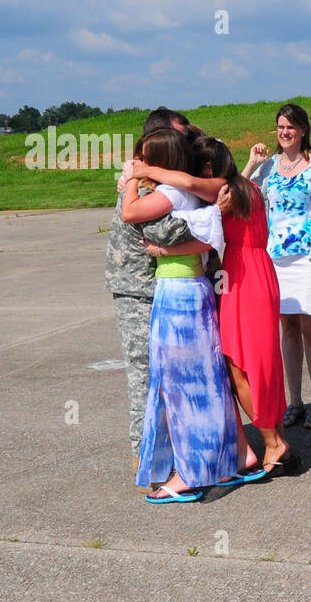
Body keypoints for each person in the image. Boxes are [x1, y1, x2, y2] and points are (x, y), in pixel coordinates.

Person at [128, 137, 293, 476]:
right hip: (253, 272)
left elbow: (188, 186)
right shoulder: (245, 186)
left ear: (207, 168)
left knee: (239, 363)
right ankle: (275, 439)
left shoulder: (224, 190)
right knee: (256, 360)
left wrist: (142, 170)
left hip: (243, 276)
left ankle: (274, 443)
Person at [120, 129, 239, 501]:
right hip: (198, 290)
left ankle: (187, 473)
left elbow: (128, 213)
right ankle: (220, 460)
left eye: (144, 157)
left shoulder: (170, 194)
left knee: (176, 385)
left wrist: (131, 178)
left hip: (177, 296)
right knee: (207, 381)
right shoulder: (194, 190)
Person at [105, 116, 200, 479]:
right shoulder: (145, 194)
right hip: (137, 294)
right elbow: (174, 232)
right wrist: (215, 210)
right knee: (145, 377)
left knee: (154, 377)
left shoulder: (143, 186)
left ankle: (159, 454)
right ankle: (147, 459)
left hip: (143, 289)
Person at [245, 104, 311, 429]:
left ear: (303, 130)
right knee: (287, 328)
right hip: (277, 261)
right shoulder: (269, 166)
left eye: (291, 127)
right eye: (280, 127)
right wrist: (252, 164)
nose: (285, 132)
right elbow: (242, 197)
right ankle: (294, 400)